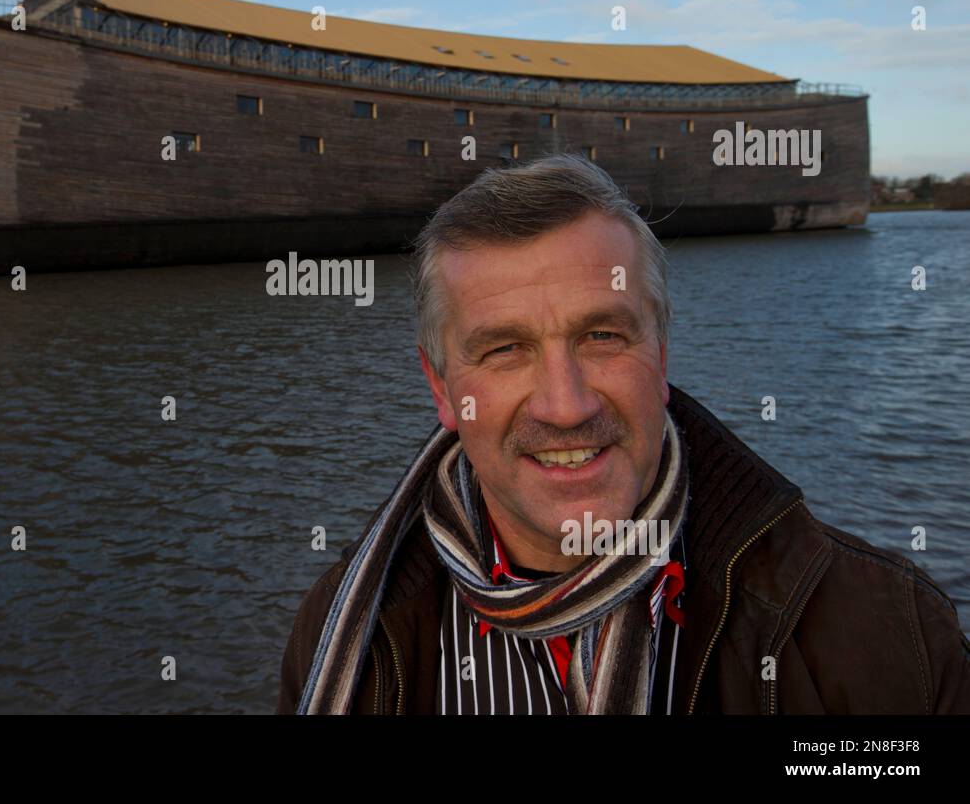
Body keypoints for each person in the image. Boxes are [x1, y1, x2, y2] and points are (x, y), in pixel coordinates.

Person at [277, 153, 970, 715]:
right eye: (504, 350)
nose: (567, 405)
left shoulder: (886, 633)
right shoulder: (343, 634)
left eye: (602, 335)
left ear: (660, 356)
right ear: (442, 389)